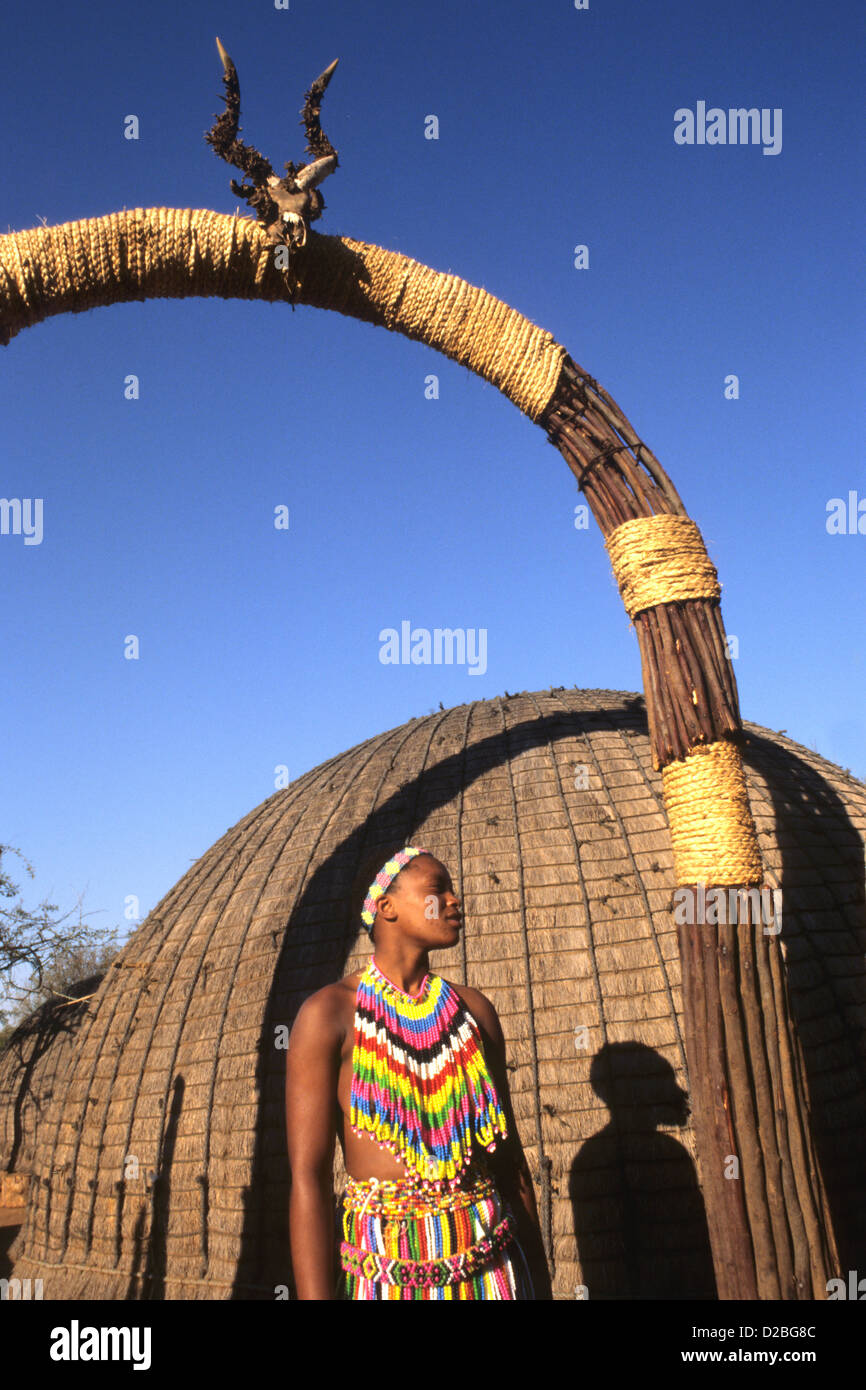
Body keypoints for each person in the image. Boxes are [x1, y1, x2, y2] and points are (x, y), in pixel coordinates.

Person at [285, 845, 552, 1300]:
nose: (454, 900)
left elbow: (510, 1164)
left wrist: (539, 1286)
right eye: (437, 889)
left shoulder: (474, 1012)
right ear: (385, 907)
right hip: (384, 1272)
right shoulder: (328, 1014)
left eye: (452, 889)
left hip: (491, 1266)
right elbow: (307, 1177)